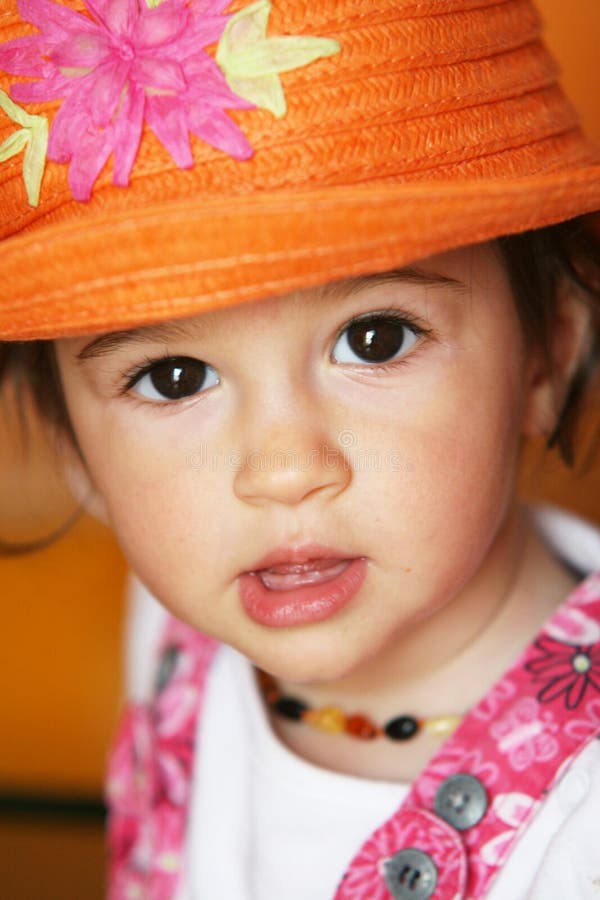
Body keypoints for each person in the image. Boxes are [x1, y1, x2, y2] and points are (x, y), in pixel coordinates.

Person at [1, 0, 600, 897]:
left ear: (547, 354)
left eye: (376, 339)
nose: (281, 470)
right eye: (172, 378)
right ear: (76, 449)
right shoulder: (180, 619)